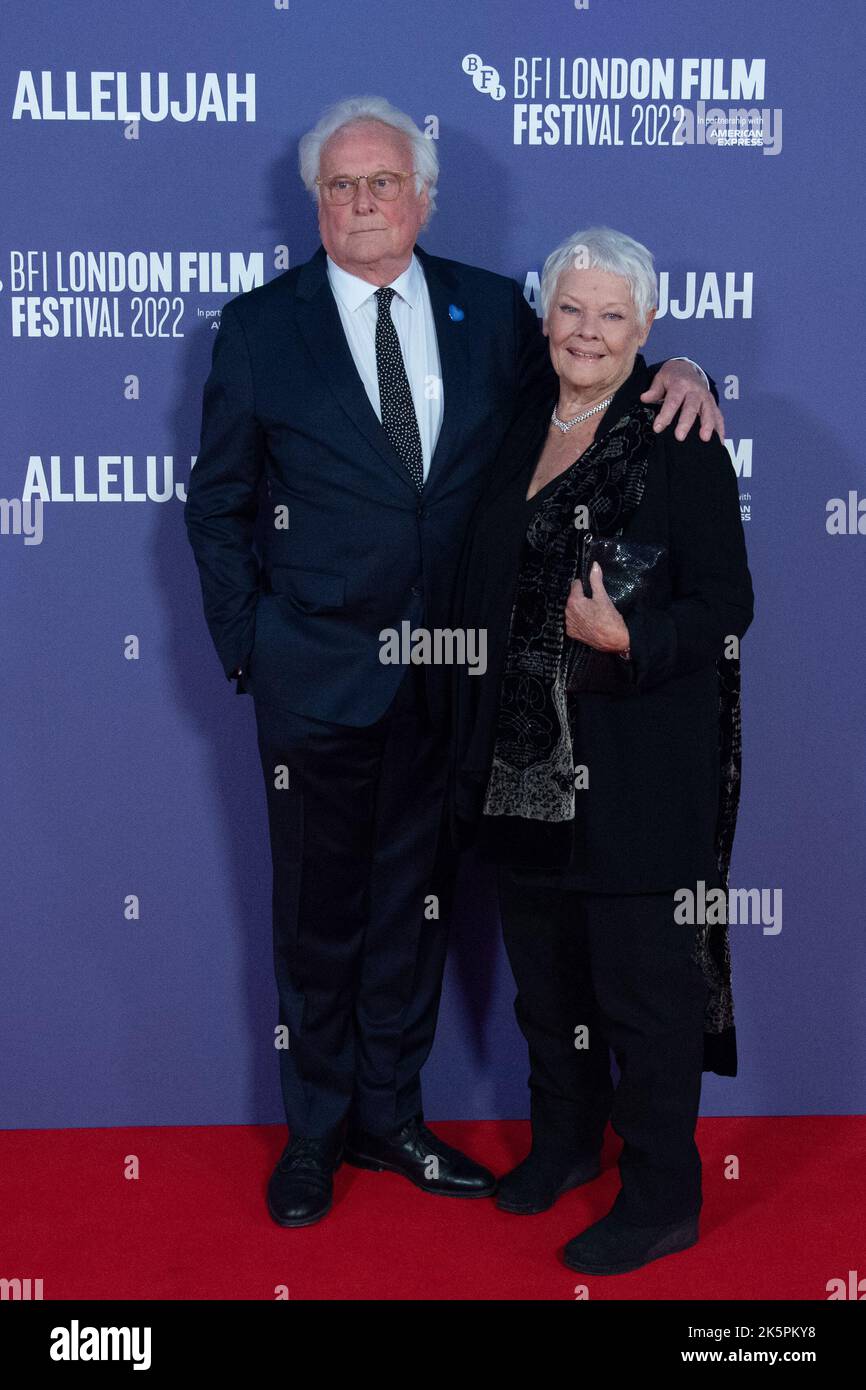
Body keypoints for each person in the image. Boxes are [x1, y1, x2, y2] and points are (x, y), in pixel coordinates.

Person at [184, 94, 722, 1229]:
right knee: (317, 920)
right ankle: (316, 1131)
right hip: (317, 683)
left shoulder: (492, 313)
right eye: (341, 185)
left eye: (383, 183)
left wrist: (683, 365)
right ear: (314, 202)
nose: (363, 202)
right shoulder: (258, 328)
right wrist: (253, 648)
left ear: (424, 198)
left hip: (461, 689)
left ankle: (391, 1116)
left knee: (416, 915)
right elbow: (219, 504)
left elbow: (594, 377)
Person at [450, 226, 753, 1274]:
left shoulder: (678, 431)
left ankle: (662, 1194)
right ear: (544, 317)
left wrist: (636, 638)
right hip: (518, 768)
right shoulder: (513, 422)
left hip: (633, 774)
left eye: (611, 315)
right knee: (548, 985)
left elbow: (729, 606)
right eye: (571, 309)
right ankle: (566, 1144)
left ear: (647, 328)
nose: (586, 331)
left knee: (642, 994)